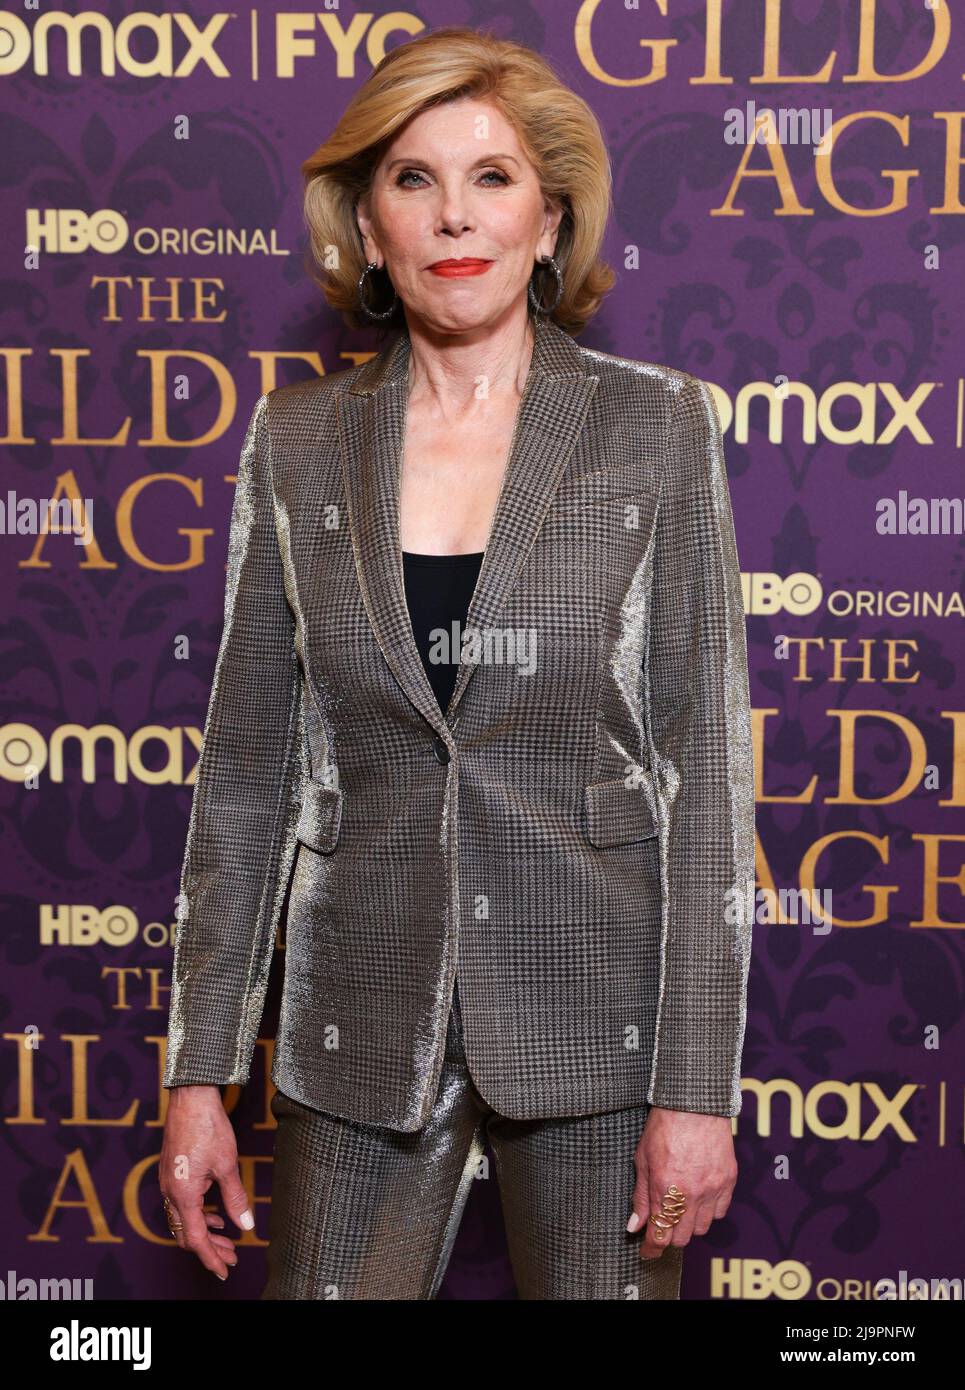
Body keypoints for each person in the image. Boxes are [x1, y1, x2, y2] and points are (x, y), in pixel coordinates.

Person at [159, 25, 755, 1301]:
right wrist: (198, 1071)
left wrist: (695, 1089)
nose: (453, 217)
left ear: (550, 221)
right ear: (367, 228)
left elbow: (705, 770)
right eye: (412, 180)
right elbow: (248, 773)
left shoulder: (652, 427)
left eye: (491, 177)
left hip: (598, 1023)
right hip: (358, 1021)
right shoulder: (298, 438)